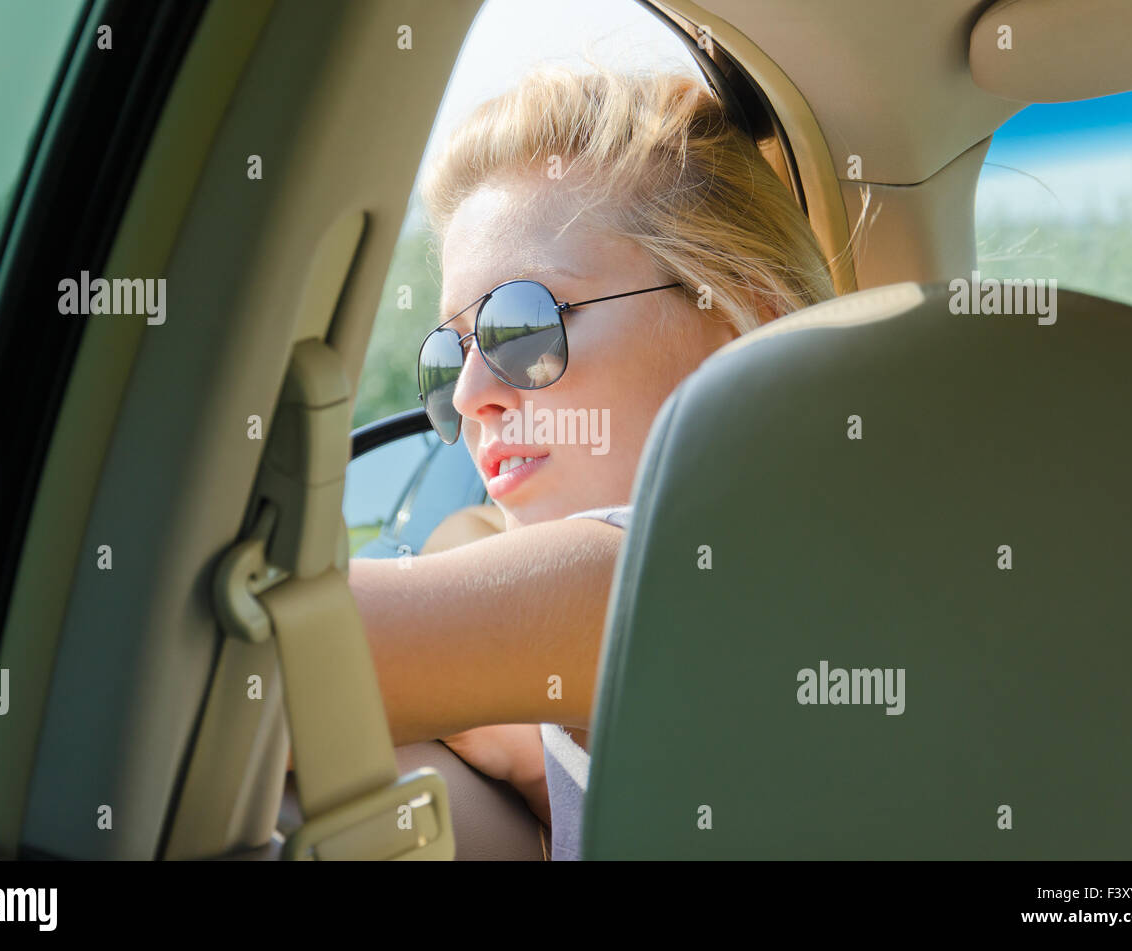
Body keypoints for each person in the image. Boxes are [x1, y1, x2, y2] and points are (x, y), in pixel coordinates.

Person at [346, 64, 836, 859]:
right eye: (450, 353)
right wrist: (543, 773)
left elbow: (240, 650)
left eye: (523, 323)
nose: (469, 396)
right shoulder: (824, 573)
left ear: (746, 315)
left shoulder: (671, 572)